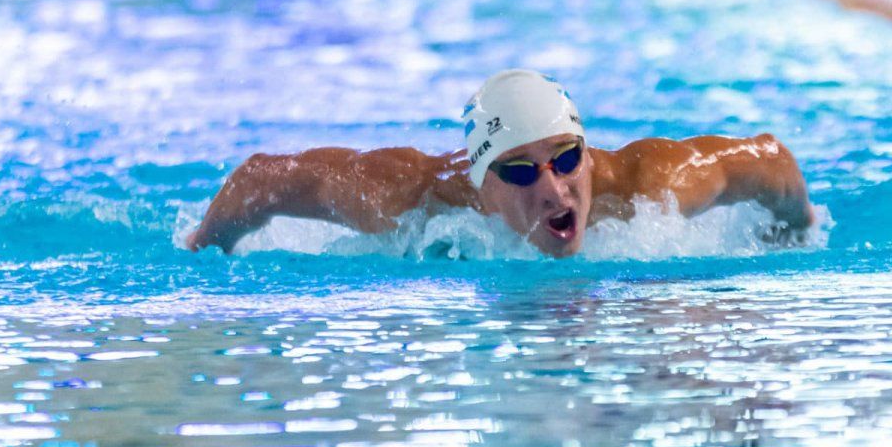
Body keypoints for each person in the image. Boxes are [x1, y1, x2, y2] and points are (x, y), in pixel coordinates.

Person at [186, 69, 815, 258]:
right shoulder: (411, 199)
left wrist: (795, 234)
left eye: (567, 159)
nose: (552, 188)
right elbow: (264, 178)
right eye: (518, 171)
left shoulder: (652, 186)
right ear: (479, 182)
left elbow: (772, 160)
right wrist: (201, 250)